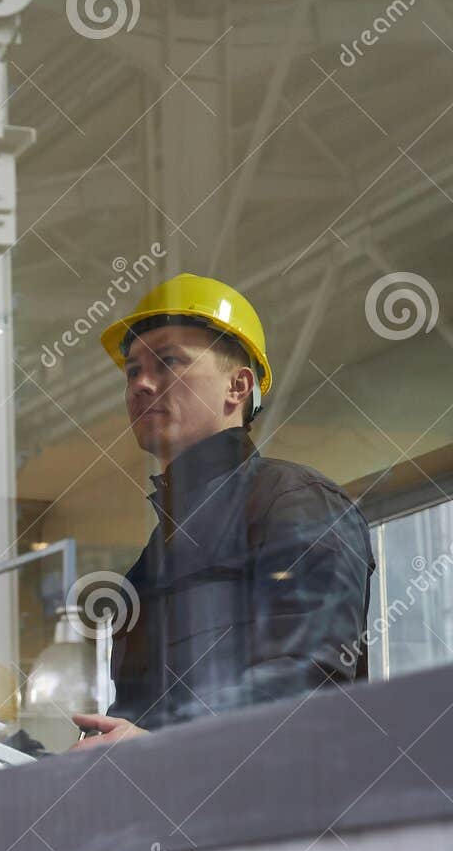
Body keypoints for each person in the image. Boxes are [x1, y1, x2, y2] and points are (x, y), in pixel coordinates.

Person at [70, 274, 375, 747]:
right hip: (179, 811)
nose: (142, 384)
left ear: (238, 386)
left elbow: (306, 683)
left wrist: (155, 749)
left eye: (167, 362)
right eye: (132, 371)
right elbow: (142, 715)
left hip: (283, 814)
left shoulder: (294, 502)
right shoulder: (153, 558)